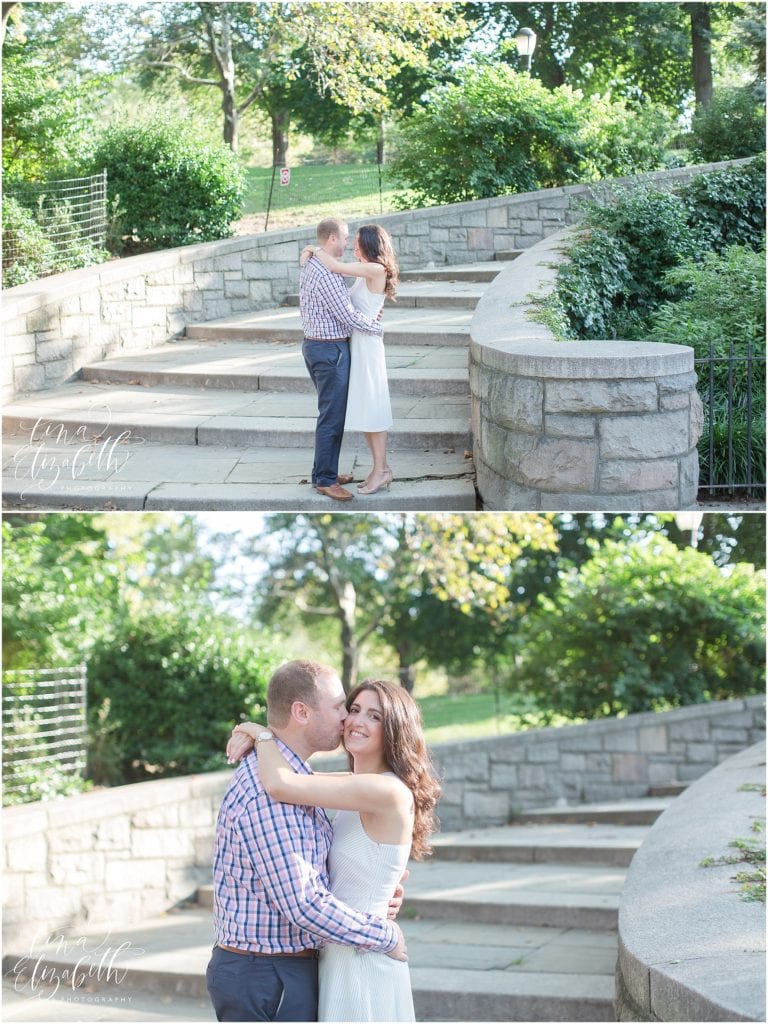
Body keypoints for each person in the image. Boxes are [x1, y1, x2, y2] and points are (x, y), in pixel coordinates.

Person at [228, 677, 441, 1023]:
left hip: (363, 957)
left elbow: (282, 783)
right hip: (341, 948)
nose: (356, 720)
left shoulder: (385, 791)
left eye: (375, 716)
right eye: (354, 709)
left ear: (395, 730)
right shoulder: (354, 785)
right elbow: (296, 775)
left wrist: (259, 731)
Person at [301, 225, 399, 495]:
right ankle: (378, 469)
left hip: (367, 345)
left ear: (369, 244)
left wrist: (313, 249)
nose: (353, 247)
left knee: (374, 409)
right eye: (349, 240)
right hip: (357, 341)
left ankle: (382, 470)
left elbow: (334, 266)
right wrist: (315, 249)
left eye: (356, 243)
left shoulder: (375, 269)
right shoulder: (364, 268)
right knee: (367, 409)